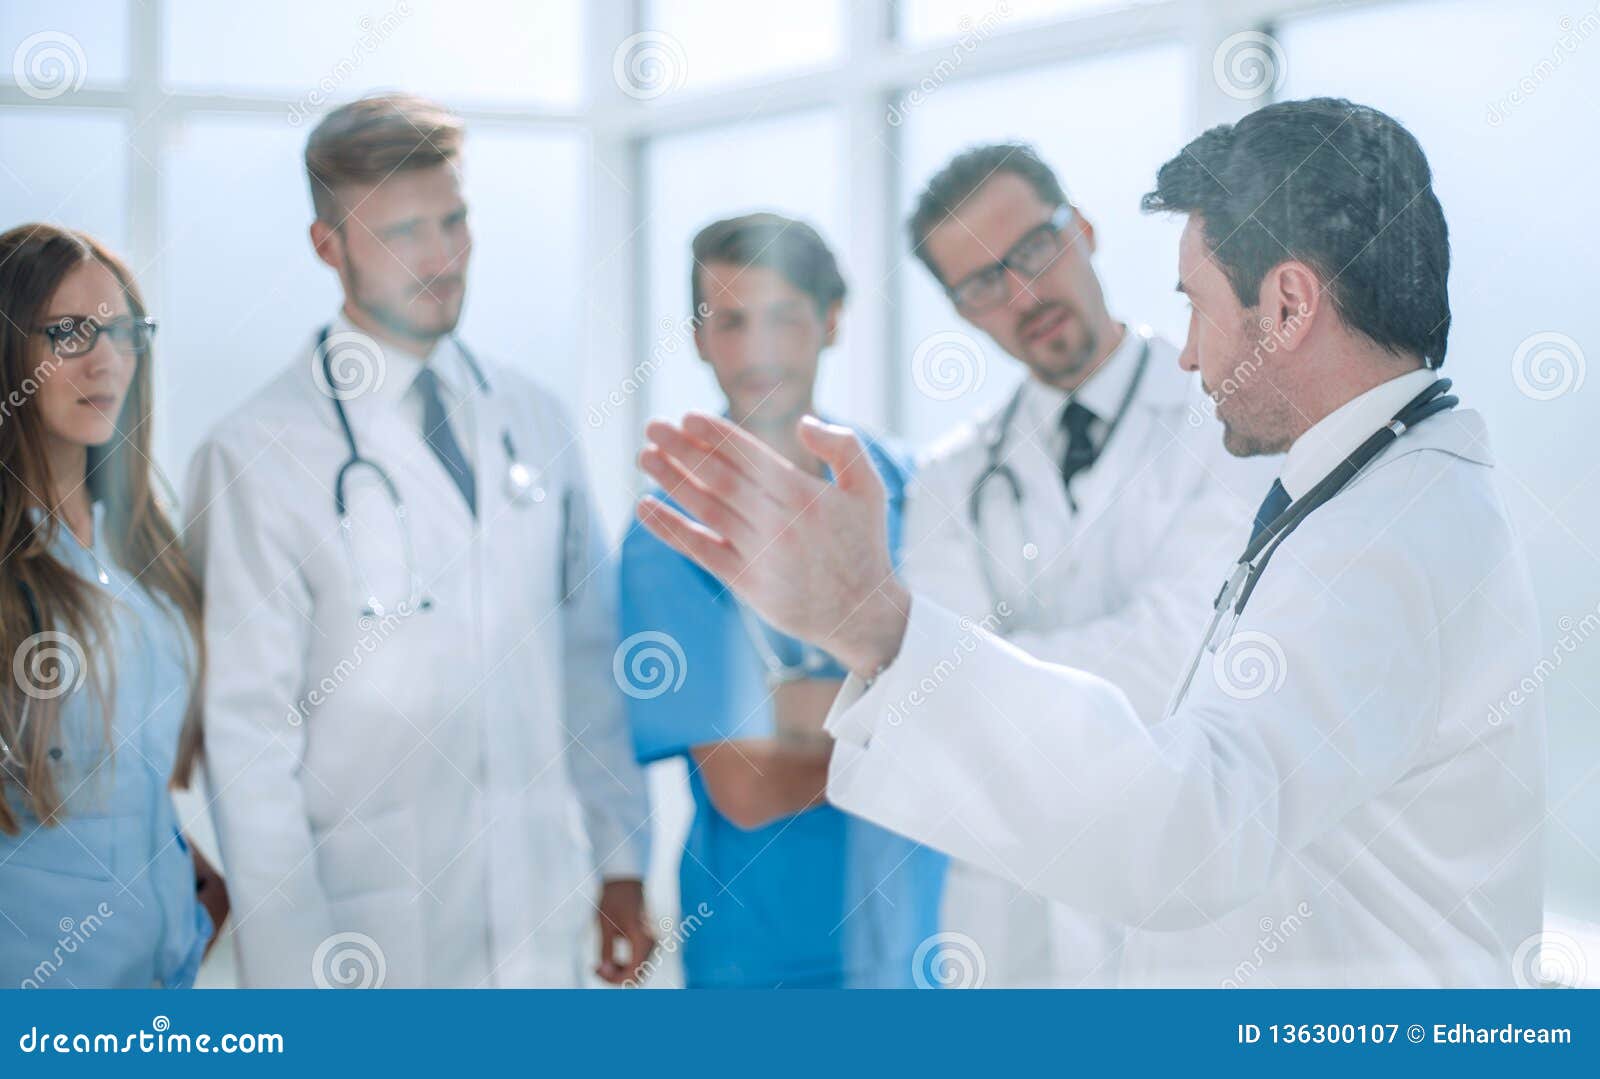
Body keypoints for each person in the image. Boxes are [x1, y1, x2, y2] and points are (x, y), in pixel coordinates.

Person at [633, 98, 1546, 987]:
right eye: (981, 283)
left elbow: (1194, 801)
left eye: (1196, 305)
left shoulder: (1373, 534)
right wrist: (936, 655)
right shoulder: (1349, 494)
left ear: (1289, 304)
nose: (1189, 353)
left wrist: (889, 635)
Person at [184, 94, 653, 988]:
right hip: (367, 939)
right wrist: (292, 975)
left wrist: (620, 856)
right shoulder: (257, 453)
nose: (442, 258)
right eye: (403, 232)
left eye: (454, 221)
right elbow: (249, 744)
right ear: (328, 246)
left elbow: (588, 657)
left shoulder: (533, 417)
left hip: (540, 919)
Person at [898, 144, 1270, 986]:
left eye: (1034, 249)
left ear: (1085, 231)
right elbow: (941, 706)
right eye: (982, 283)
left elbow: (1184, 658)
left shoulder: (1229, 420)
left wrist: (985, 674)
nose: (1023, 295)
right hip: (1012, 933)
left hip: (1192, 907)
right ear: (959, 311)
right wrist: (957, 682)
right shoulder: (949, 479)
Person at [619, 214, 945, 987]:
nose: (758, 350)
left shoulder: (914, 488)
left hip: (925, 939)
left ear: (832, 320)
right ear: (699, 339)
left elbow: (988, 700)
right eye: (731, 322)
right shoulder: (670, 532)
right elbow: (748, 786)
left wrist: (799, 711)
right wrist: (917, 710)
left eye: (784, 317)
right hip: (761, 954)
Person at [0, 224, 227, 988]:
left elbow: (124, 777)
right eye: (69, 333)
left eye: (124, 332)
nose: (107, 361)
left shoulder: (142, 550)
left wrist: (197, 886)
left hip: (158, 984)